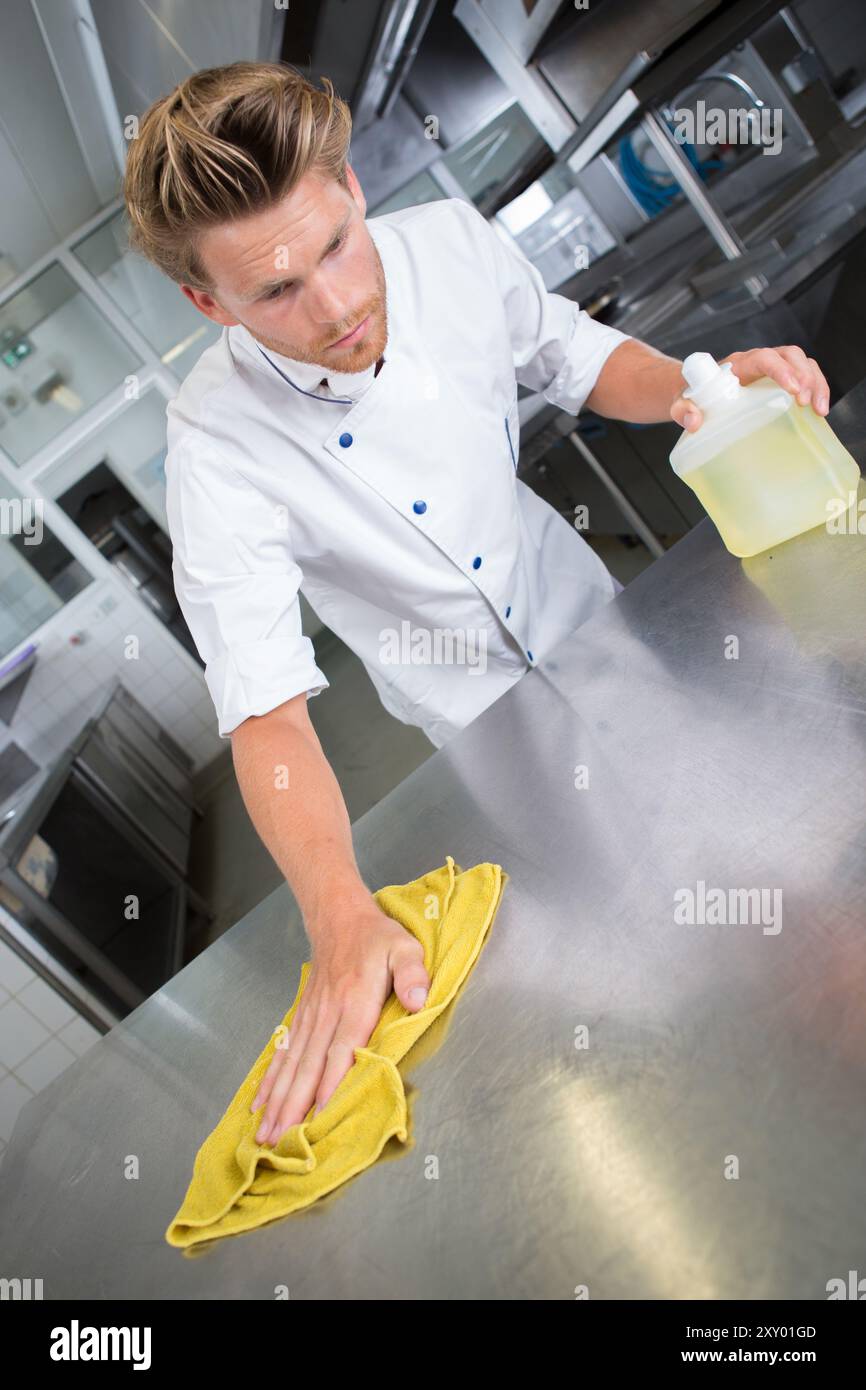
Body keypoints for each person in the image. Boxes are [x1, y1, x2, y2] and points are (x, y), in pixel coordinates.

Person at [123, 61, 832, 1146]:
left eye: (334, 245)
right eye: (274, 292)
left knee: (726, 844)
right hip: (470, 712)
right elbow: (265, 706)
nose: (338, 305)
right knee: (614, 883)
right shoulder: (213, 442)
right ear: (205, 302)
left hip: (590, 614)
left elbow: (577, 358)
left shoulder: (448, 246)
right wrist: (339, 916)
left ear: (354, 186)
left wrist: (702, 388)